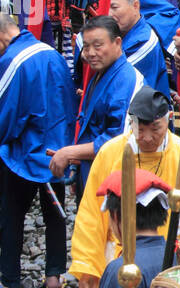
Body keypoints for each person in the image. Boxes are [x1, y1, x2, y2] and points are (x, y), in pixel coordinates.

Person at [69, 85, 180, 288]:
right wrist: (87, 265)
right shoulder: (111, 153)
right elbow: (90, 216)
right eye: (140, 129)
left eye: (155, 128)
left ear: (168, 118)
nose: (148, 137)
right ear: (130, 122)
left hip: (175, 254)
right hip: (120, 254)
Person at [0, 8, 76, 288]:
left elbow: (8, 114)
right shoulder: (51, 52)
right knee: (55, 214)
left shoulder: (11, 61)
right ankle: (54, 274)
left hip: (26, 152)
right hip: (58, 147)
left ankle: (10, 277)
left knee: (13, 212)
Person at [48, 15, 142, 196]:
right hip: (93, 170)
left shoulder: (127, 80)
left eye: (98, 46)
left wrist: (70, 152)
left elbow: (120, 139)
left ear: (117, 42)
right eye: (86, 46)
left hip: (116, 180)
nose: (90, 53)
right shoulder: (100, 73)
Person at [106, 0, 170, 98]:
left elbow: (112, 78)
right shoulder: (120, 34)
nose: (109, 14)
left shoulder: (144, 41)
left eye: (114, 7)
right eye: (106, 7)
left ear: (135, 6)